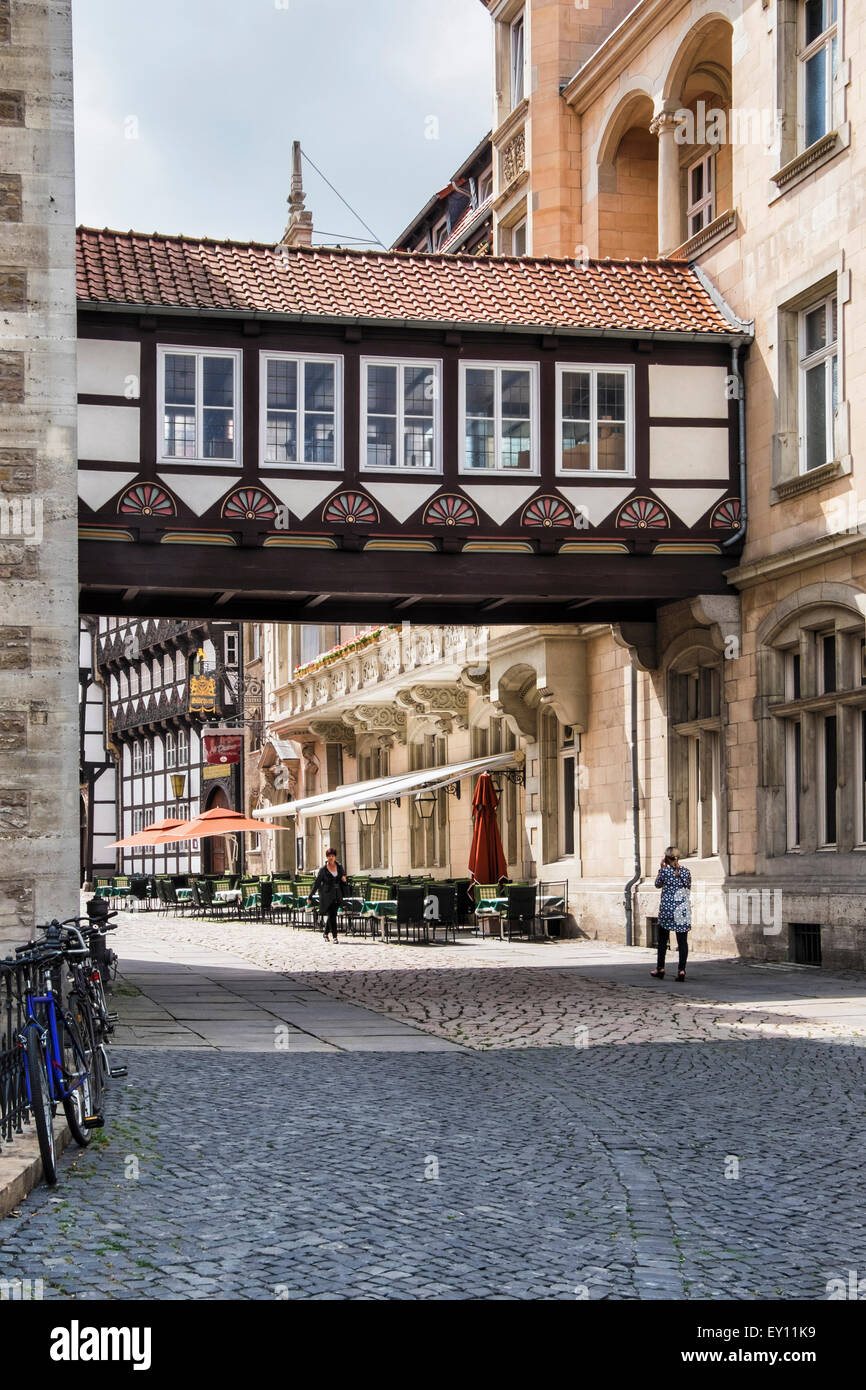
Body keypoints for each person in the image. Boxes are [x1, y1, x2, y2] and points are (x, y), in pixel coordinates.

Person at [651, 845, 691, 981]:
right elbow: (688, 887)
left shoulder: (664, 871)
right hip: (682, 909)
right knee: (682, 941)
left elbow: (657, 884)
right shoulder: (686, 871)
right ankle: (681, 970)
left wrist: (662, 868)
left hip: (667, 909)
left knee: (662, 939)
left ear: (666, 858)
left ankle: (660, 968)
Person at [309, 847, 348, 943]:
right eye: (329, 856)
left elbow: (343, 879)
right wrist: (310, 896)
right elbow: (317, 883)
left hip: (337, 894)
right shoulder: (323, 870)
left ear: (335, 857)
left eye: (333, 856)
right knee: (332, 915)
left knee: (332, 915)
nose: (331, 858)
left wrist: (344, 880)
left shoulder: (339, 867)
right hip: (326, 895)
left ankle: (325, 933)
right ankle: (335, 937)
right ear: (327, 857)